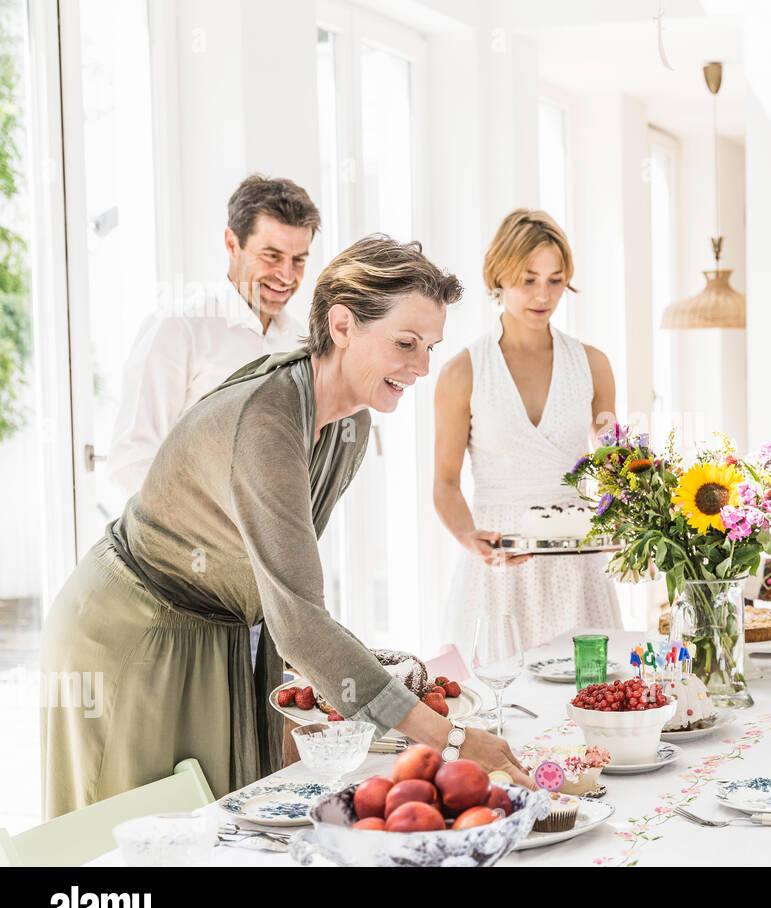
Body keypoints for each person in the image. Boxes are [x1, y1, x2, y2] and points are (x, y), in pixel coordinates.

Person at [41, 236, 531, 819]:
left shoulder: (351, 428)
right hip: (133, 632)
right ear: (343, 326)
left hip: (216, 630)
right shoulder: (265, 421)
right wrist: (449, 740)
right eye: (406, 343)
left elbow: (285, 590)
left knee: (225, 823)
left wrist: (334, 682)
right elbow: (299, 617)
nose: (423, 367)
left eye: (430, 347)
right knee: (135, 838)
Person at [434, 210, 622, 660]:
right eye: (528, 279)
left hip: (579, 567)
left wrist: (638, 525)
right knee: (501, 713)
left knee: (592, 703)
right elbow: (444, 483)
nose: (544, 295)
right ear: (499, 276)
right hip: (500, 570)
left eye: (556, 280)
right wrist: (469, 537)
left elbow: (618, 468)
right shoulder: (462, 371)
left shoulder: (593, 365)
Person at [107, 174, 320, 499]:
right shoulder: (179, 328)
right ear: (232, 244)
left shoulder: (301, 342)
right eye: (271, 256)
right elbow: (132, 462)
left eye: (299, 260)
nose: (286, 275)